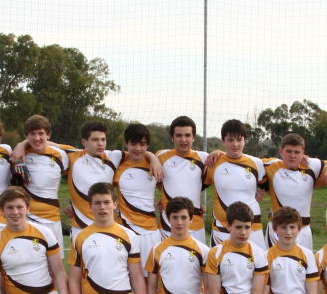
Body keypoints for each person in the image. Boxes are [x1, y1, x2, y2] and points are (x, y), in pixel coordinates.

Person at [204, 119, 266, 249]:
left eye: (239, 139)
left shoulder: (257, 163)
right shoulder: (213, 163)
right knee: (219, 262)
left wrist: (259, 193)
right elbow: (195, 186)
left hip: (252, 228)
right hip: (222, 229)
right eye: (230, 140)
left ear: (245, 140)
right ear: (223, 141)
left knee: (257, 262)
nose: (235, 144)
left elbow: (269, 185)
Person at [113, 123, 164, 275]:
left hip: (150, 233)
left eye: (142, 144)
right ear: (126, 143)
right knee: (124, 278)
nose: (137, 148)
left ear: (148, 145)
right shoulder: (118, 164)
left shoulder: (155, 165)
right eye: (133, 144)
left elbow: (169, 191)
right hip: (124, 231)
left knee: (150, 280)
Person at [261, 133, 325, 250]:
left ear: (303, 153)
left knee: (305, 262)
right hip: (277, 230)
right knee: (274, 262)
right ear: (281, 151)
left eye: (297, 152)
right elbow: (245, 162)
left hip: (304, 231)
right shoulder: (271, 165)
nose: (292, 156)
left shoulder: (312, 166)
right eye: (289, 151)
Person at [17, 115, 70, 254]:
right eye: (32, 134)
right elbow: (18, 183)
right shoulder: (19, 154)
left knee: (55, 263)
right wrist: (21, 147)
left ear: (48, 135)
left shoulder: (61, 155)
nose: (37, 138)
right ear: (26, 136)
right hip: (28, 219)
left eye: (41, 133)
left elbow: (75, 175)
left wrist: (73, 203)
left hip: (52, 220)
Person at [157, 115, 209, 245]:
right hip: (168, 225)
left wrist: (218, 151)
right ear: (172, 137)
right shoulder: (160, 156)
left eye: (187, 135)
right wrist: (163, 197)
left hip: (195, 225)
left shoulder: (204, 158)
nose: (183, 140)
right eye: (179, 135)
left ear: (193, 137)